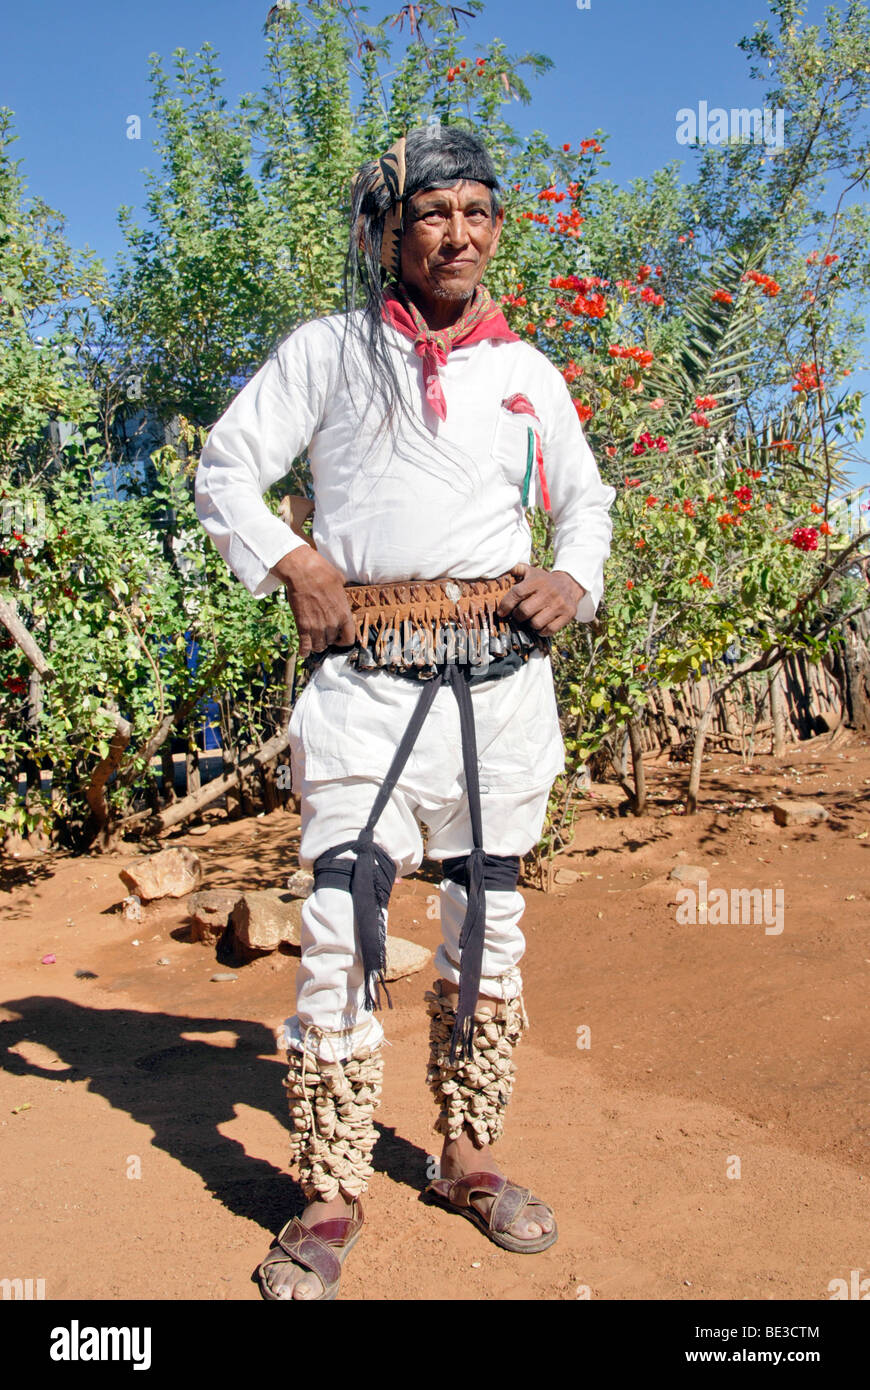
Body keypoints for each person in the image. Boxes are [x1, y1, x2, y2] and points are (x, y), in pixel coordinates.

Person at [195, 123, 615, 1300]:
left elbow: (584, 504)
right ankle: (329, 1190)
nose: (458, 233)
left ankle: (466, 1155)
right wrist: (299, 564)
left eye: (478, 212)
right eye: (434, 212)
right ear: (389, 230)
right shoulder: (327, 354)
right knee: (339, 929)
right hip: (365, 696)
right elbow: (227, 469)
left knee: (490, 931)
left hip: (500, 695)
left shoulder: (528, 373)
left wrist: (572, 576)